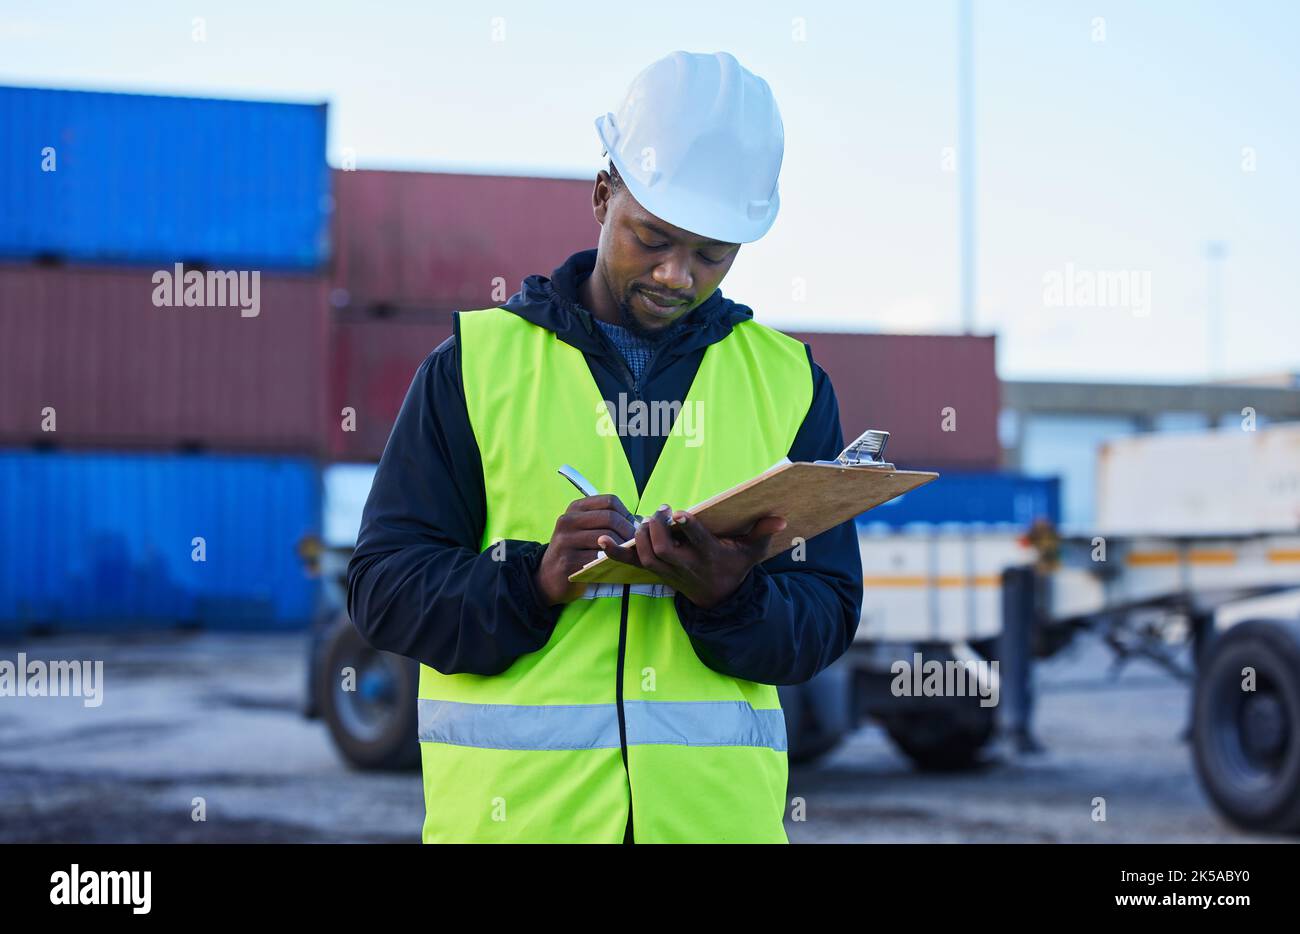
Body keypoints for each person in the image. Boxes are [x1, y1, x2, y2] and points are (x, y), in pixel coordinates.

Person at [347, 50, 863, 843]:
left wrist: (734, 597)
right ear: (601, 194)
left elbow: (826, 614)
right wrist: (532, 580)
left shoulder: (790, 383)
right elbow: (383, 589)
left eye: (711, 255)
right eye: (652, 237)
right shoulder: (475, 368)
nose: (676, 275)